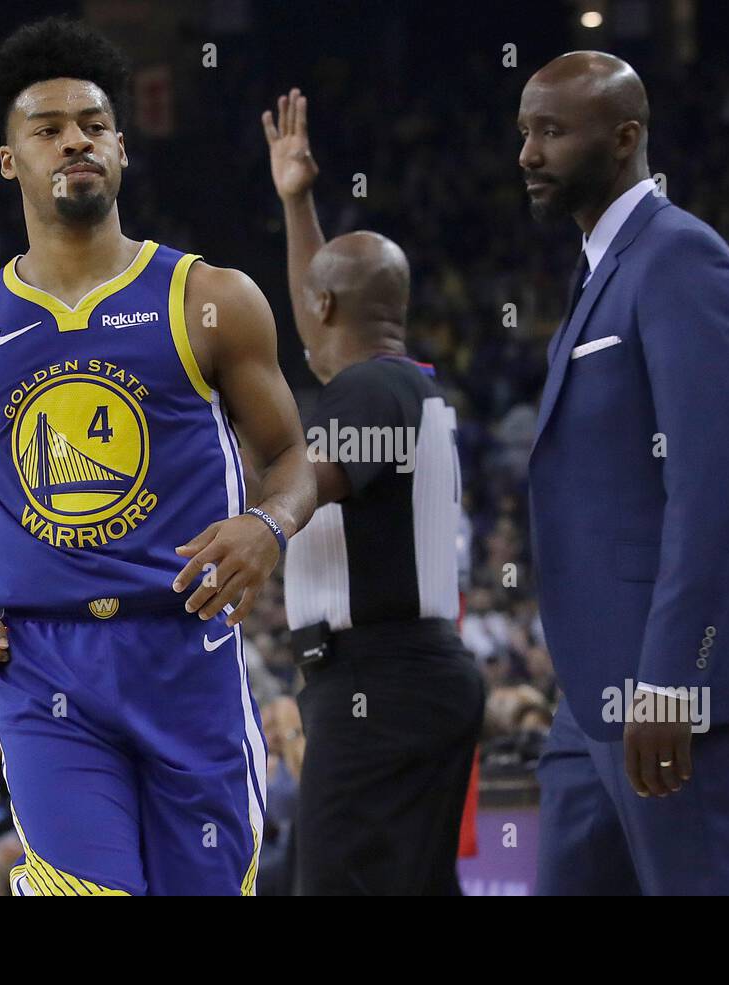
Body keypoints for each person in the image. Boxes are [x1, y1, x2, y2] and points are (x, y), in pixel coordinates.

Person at [0, 18, 314, 896]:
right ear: (9, 160)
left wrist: (267, 523)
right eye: (46, 129)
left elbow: (293, 456)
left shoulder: (211, 298)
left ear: (122, 148)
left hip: (184, 650)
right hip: (44, 663)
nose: (74, 141)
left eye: (92, 124)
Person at [519, 51, 729, 895]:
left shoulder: (679, 258)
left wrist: (673, 678)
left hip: (660, 688)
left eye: (552, 132)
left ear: (625, 137)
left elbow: (712, 484)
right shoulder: (604, 264)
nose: (527, 154)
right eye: (525, 132)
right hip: (588, 685)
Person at [263, 89, 484, 894]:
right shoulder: (399, 383)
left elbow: (306, 486)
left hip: (378, 682)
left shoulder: (366, 393)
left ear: (323, 307)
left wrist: (250, 520)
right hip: (411, 677)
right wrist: (299, 207)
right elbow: (322, 321)